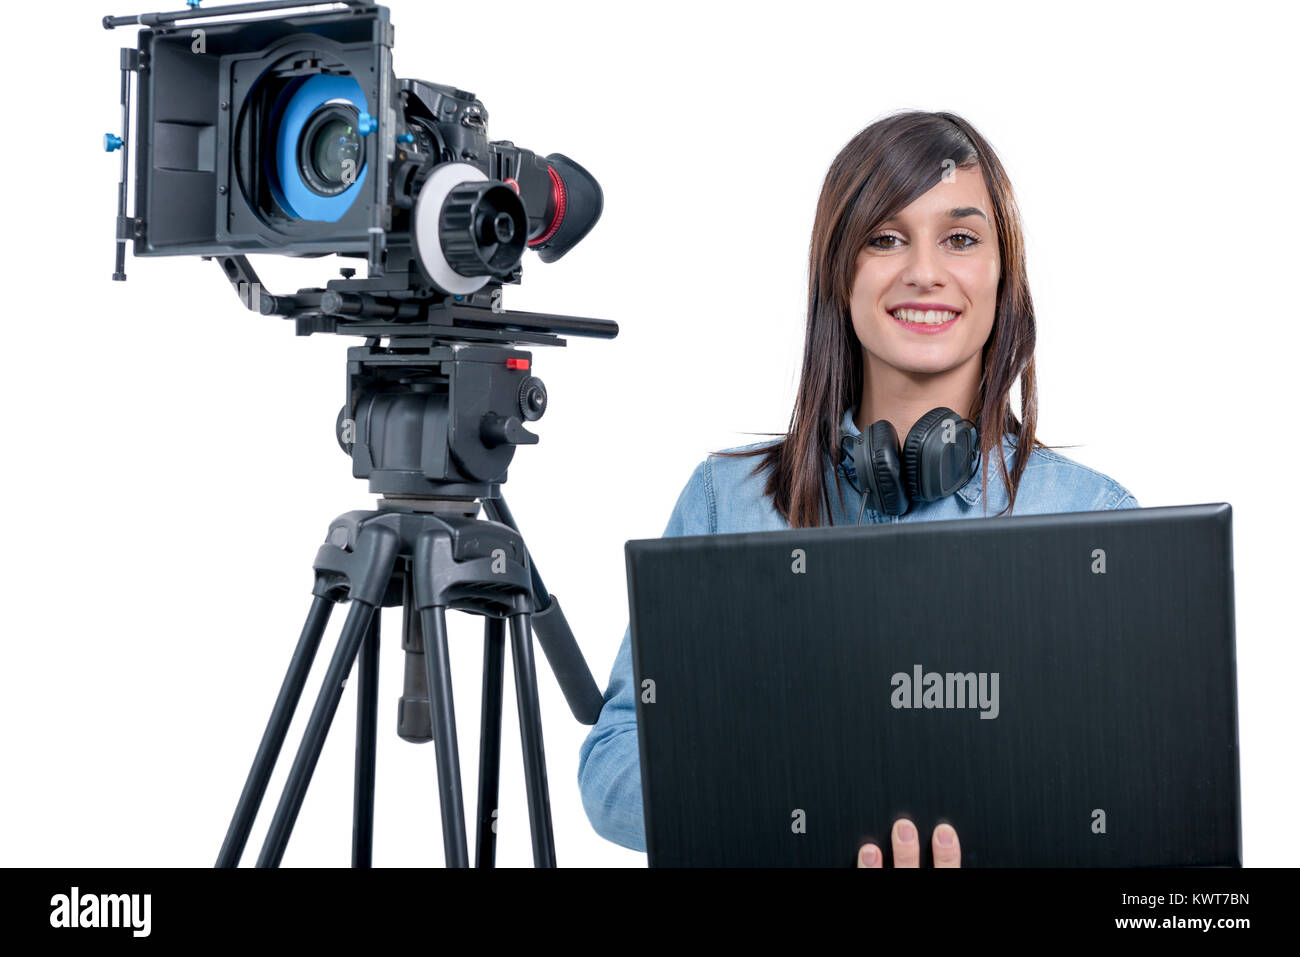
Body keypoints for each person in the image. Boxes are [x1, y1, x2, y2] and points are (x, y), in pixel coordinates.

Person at [577, 110, 1139, 867]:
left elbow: (1137, 802)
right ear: (840, 271)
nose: (924, 272)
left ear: (1003, 276)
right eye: (885, 237)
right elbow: (613, 767)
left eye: (962, 238)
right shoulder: (727, 500)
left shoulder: (1092, 518)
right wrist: (805, 814)